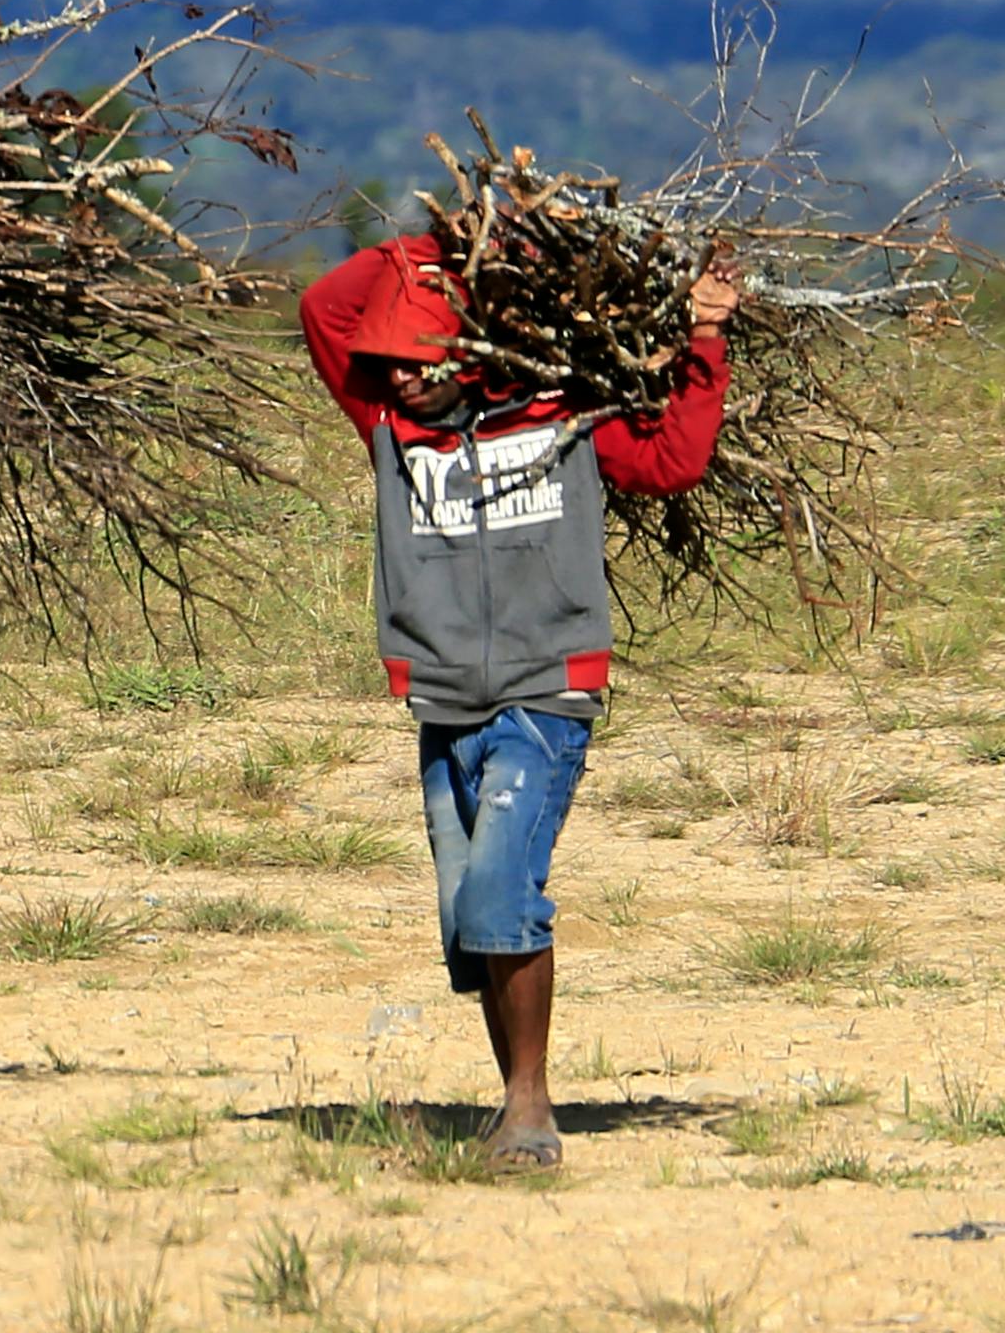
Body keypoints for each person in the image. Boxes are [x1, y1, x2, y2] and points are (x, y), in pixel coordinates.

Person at [297, 230, 739, 1167]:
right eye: (388, 361)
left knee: (503, 891)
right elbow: (323, 310)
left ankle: (531, 1111)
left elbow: (671, 461)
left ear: (468, 351)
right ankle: (515, 1103)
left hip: (547, 691)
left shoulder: (561, 414)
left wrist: (705, 342)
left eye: (419, 358)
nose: (401, 377)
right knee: (474, 923)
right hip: (442, 698)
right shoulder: (388, 425)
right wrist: (436, 246)